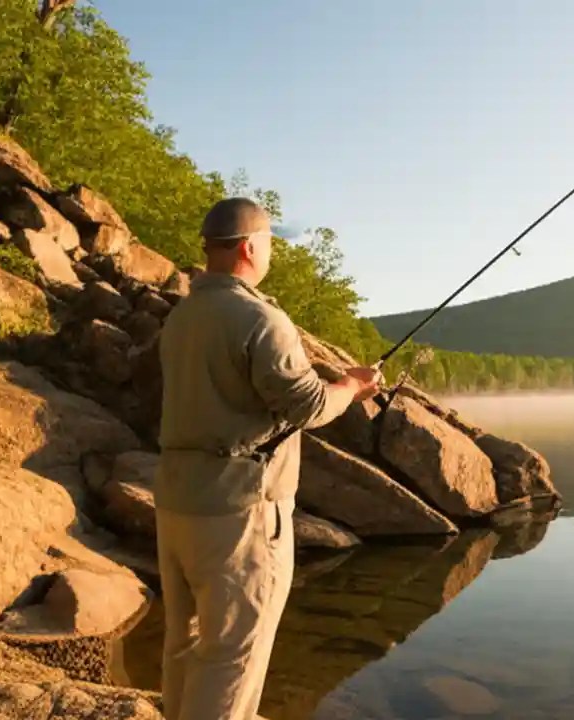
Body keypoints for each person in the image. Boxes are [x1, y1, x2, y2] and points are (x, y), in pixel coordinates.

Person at [154, 197, 380, 720]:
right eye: (271, 244)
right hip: (240, 511)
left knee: (183, 640)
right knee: (234, 650)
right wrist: (351, 385)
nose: (271, 253)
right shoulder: (260, 318)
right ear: (250, 247)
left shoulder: (182, 316)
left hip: (175, 502)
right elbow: (311, 405)